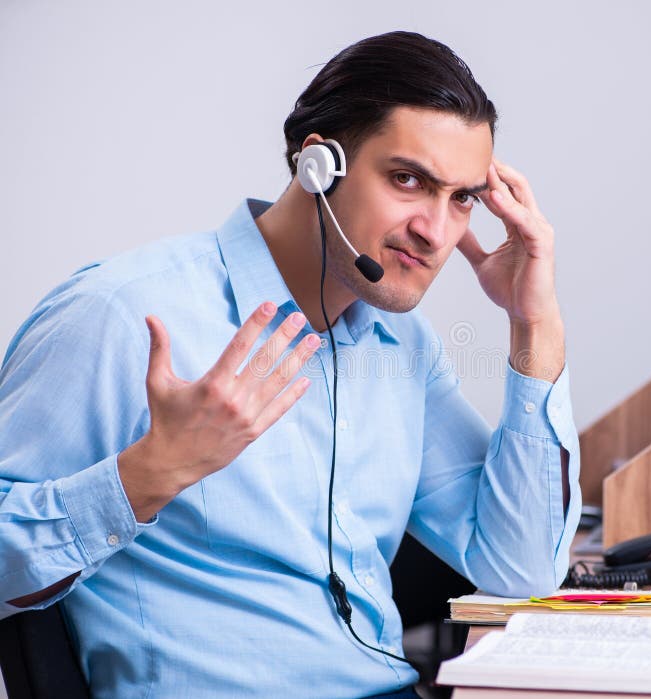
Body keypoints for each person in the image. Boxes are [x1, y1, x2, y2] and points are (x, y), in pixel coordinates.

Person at [0, 31, 581, 698]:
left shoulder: (400, 344)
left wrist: (534, 319)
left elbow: (522, 563)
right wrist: (148, 475)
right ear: (318, 166)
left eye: (461, 198)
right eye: (407, 179)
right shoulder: (123, 314)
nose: (438, 230)